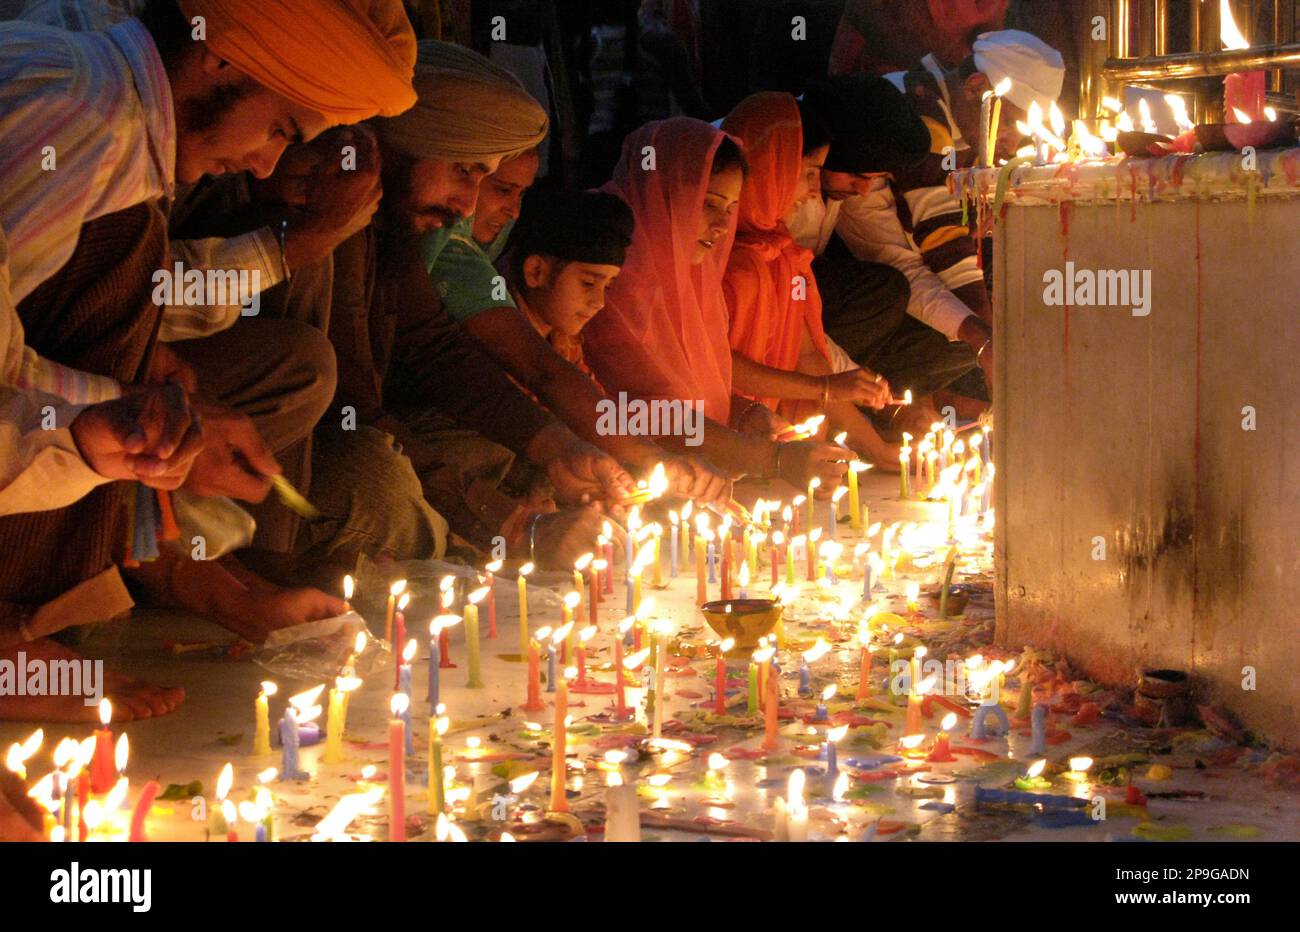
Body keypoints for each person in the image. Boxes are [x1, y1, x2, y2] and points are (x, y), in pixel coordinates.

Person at [0, 0, 419, 720]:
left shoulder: (104, 91)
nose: (265, 163)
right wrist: (97, 428)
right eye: (281, 128)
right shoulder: (87, 121)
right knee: (129, 250)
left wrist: (121, 422)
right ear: (220, 54)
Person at [325, 39, 647, 569]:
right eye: (464, 171)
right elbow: (353, 409)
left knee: (504, 445)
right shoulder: (332, 224)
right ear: (404, 145)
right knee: (376, 478)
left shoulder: (392, 233)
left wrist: (559, 446)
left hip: (377, 439)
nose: (468, 207)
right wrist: (511, 524)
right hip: (309, 459)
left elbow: (435, 351)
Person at [408, 42, 730, 506]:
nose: (507, 211)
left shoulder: (479, 247)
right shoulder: (450, 251)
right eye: (492, 185)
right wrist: (651, 459)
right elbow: (542, 372)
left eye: (517, 192)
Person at [582, 116, 846, 494]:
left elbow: (698, 383)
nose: (723, 225)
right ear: (664, 190)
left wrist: (744, 413)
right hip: (617, 486)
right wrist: (771, 460)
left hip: (691, 486)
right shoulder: (609, 273)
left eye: (731, 208)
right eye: (708, 204)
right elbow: (640, 410)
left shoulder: (693, 275)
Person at [720, 92, 900, 471]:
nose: (814, 191)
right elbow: (716, 362)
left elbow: (807, 357)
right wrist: (830, 388)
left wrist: (878, 450)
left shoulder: (784, 257)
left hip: (763, 440)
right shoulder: (714, 255)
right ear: (770, 168)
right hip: (710, 445)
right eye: (807, 174)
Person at [793, 74, 989, 423]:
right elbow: (781, 314)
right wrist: (843, 377)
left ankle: (881, 407)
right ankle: (855, 412)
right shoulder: (772, 182)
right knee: (883, 292)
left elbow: (898, 262)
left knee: (966, 339)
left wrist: (977, 333)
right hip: (782, 323)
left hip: (805, 313)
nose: (865, 191)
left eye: (875, 179)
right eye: (858, 177)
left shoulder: (846, 174)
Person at [880, 30, 1066, 326]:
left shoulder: (967, 127)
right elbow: (943, 235)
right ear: (975, 87)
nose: (1012, 143)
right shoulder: (917, 105)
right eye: (1008, 123)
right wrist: (987, 337)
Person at [502, 188, 636, 393]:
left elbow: (591, 398)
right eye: (588, 283)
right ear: (536, 271)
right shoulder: (499, 342)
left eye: (607, 286)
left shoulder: (561, 337)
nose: (599, 303)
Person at [828, 0, 1009, 77]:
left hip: (938, 89)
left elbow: (988, 33)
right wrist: (920, 66)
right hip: (872, 72)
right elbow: (860, 10)